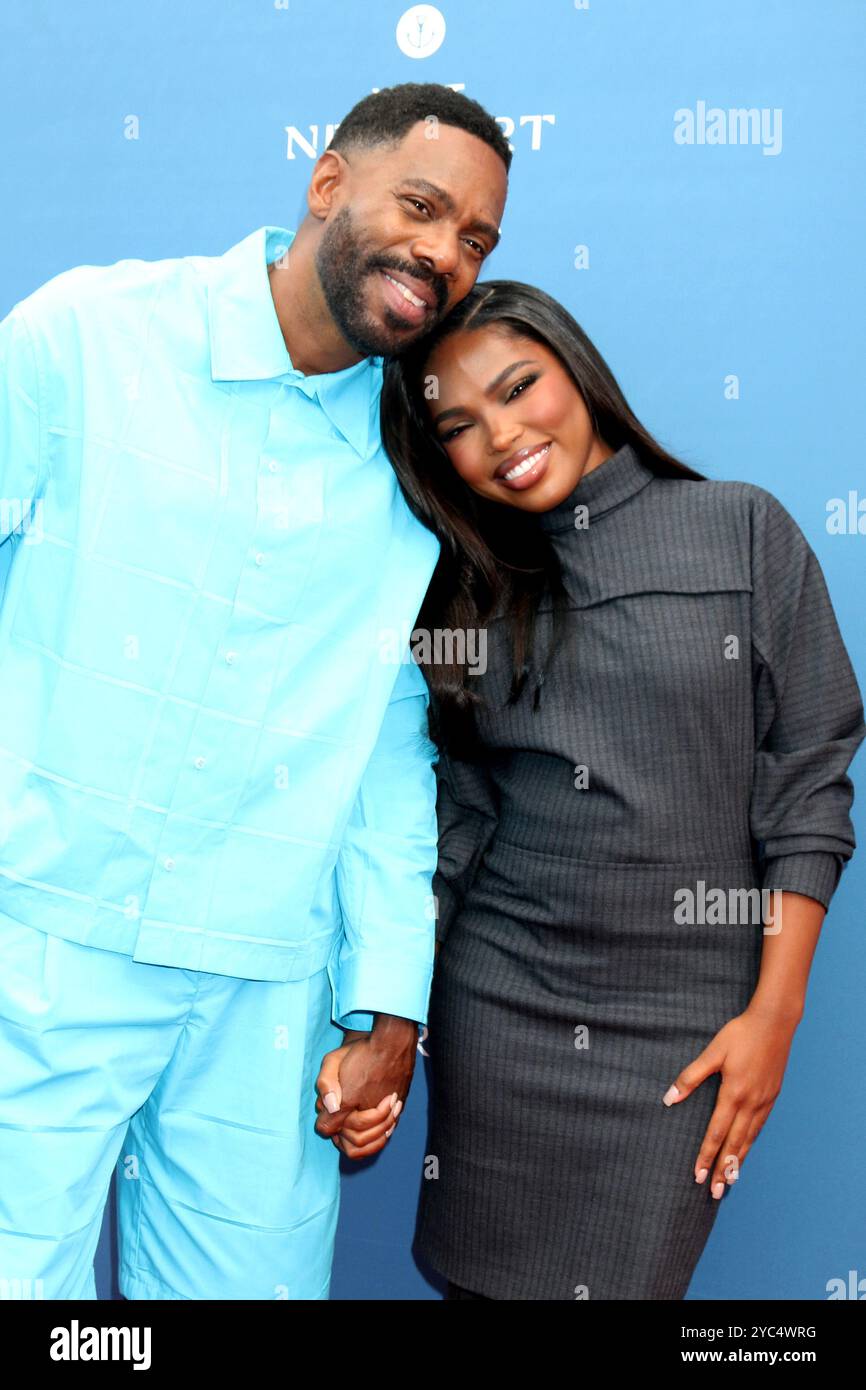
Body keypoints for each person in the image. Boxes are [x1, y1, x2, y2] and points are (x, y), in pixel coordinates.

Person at [0, 83, 508, 1300]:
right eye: (421, 207)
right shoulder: (87, 335)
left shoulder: (418, 459)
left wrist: (386, 1000)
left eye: (474, 239)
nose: (442, 254)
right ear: (327, 181)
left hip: (270, 992)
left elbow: (387, 749)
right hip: (42, 944)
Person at [379, 279, 866, 1300]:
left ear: (578, 370)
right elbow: (459, 820)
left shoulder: (741, 528)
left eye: (519, 387)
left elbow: (809, 784)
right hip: (499, 1008)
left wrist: (773, 1016)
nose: (501, 436)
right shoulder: (462, 591)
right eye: (458, 426)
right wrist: (386, 1017)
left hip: (687, 1023)